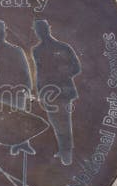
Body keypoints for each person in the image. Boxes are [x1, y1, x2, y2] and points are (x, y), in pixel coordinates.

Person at [31, 19, 81, 165]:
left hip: (63, 91)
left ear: (48, 28)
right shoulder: (36, 50)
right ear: (36, 32)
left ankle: (67, 151)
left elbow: (76, 68)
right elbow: (39, 72)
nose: (40, 32)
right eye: (37, 30)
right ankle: (63, 148)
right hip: (47, 92)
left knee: (64, 121)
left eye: (42, 28)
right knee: (55, 122)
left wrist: (62, 71)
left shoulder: (63, 47)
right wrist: (39, 91)